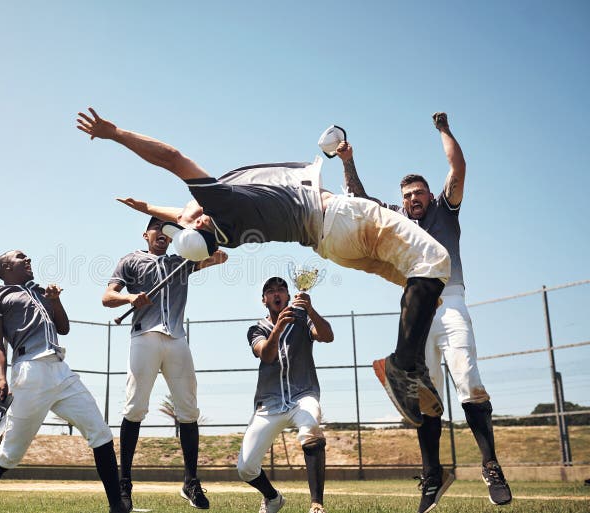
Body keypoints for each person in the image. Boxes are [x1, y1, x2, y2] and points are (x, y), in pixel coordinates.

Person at [77, 107, 450, 429]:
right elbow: (172, 158)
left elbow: (179, 216)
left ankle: (412, 366)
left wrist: (145, 208)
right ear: (202, 222)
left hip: (331, 246)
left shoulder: (222, 232)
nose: (182, 210)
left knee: (426, 289)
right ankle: (402, 365)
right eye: (186, 218)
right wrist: (116, 134)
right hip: (340, 219)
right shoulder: (217, 202)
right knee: (436, 261)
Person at [336, 112, 512, 511]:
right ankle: (432, 476)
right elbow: (361, 202)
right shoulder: (398, 222)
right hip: (415, 311)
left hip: (449, 302)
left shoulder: (445, 212)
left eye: (419, 193)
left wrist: (444, 130)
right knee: (423, 398)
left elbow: (458, 167)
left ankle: (490, 466)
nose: (413, 199)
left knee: (468, 379)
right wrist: (347, 161)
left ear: (430, 196)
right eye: (408, 195)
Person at [0, 250, 127, 513]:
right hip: (30, 373)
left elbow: (63, 329)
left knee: (101, 433)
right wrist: (1, 378)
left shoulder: (40, 291)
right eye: (20, 257)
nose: (28, 260)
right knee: (9, 454)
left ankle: (118, 506)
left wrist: (55, 300)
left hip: (61, 370)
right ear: (5, 267)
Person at [102, 216, 226, 511]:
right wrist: (131, 298)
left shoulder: (181, 261)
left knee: (188, 411)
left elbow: (221, 255)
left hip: (177, 338)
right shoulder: (130, 260)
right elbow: (107, 297)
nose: (162, 231)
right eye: (156, 226)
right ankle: (125, 485)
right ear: (145, 234)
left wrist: (200, 236)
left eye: (167, 229)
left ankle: (191, 482)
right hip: (144, 336)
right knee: (134, 409)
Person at [238, 277, 334, 513]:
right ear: (264, 300)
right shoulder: (257, 328)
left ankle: (316, 504)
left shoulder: (303, 319)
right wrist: (279, 327)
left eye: (281, 289)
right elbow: (266, 355)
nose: (276, 293)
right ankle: (273, 498)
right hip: (269, 404)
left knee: (310, 427)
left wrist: (310, 308)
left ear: (289, 296)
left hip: (302, 395)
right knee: (246, 467)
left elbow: (327, 336)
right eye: (270, 291)